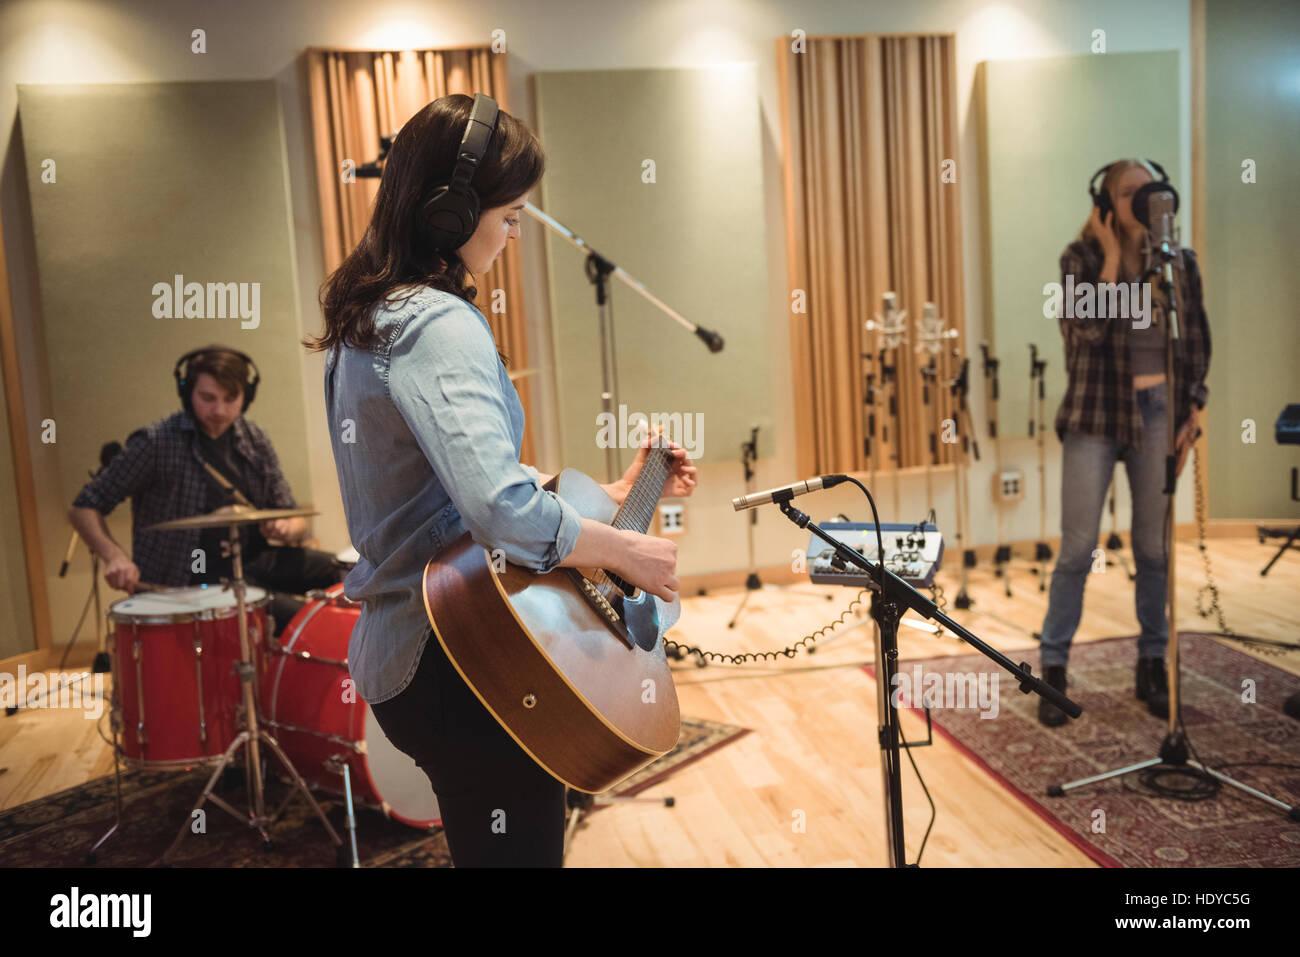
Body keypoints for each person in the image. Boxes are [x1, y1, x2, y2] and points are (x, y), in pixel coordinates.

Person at [307, 93, 697, 867]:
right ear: (451, 214)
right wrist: (621, 552)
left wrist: (611, 502)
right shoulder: (435, 322)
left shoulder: (376, 312)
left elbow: (462, 483)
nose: (515, 233)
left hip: (421, 651)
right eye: (509, 214)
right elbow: (498, 508)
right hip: (456, 658)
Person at [1036, 159, 1211, 727]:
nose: (1142, 201)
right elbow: (1083, 330)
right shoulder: (1080, 259)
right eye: (1128, 193)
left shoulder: (1179, 264)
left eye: (1148, 191)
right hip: (1094, 416)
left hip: (1159, 413)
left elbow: (1197, 339)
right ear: (1106, 205)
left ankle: (1152, 664)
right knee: (1078, 546)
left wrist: (1195, 407)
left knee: (1155, 549)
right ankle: (1054, 670)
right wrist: (1111, 260)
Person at [69, 346, 341, 634]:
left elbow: (294, 517)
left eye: (230, 398)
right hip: (189, 574)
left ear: (246, 396)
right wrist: (115, 556)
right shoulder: (157, 442)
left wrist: (289, 527)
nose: (219, 410)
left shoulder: (254, 440)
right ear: (187, 393)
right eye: (208, 398)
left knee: (347, 575)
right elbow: (84, 506)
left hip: (252, 561)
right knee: (306, 621)